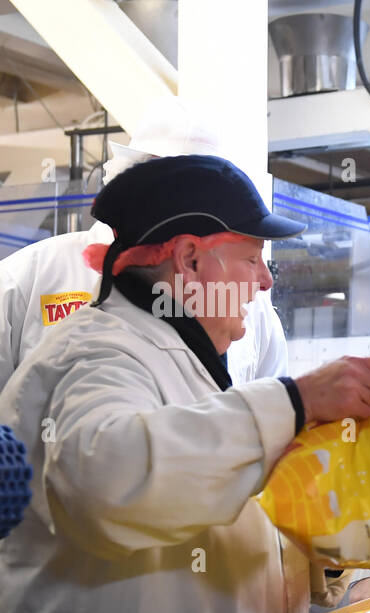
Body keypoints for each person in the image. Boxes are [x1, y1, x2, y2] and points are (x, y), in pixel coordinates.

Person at [0, 154, 370, 613]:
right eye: (252, 258)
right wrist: (297, 401)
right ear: (188, 260)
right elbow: (110, 478)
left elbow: (205, 502)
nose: (266, 281)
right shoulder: (95, 354)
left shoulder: (177, 359)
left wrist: (331, 573)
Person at [0, 97, 288, 392]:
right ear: (134, 182)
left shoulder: (250, 308)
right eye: (179, 186)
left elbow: (275, 417)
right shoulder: (27, 278)